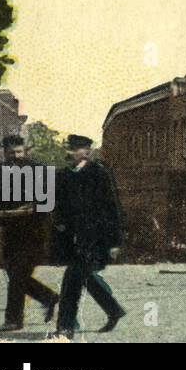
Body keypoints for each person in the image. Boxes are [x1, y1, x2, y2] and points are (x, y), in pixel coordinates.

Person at [52, 134, 126, 339]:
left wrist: (115, 242)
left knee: (71, 280)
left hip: (95, 238)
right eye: (69, 148)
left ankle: (65, 326)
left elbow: (112, 208)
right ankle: (113, 310)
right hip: (73, 238)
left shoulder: (99, 173)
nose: (70, 152)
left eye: (74, 149)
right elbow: (59, 207)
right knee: (86, 277)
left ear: (86, 152)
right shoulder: (64, 175)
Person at [0, 135, 59, 331]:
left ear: (25, 151)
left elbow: (51, 200)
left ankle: (14, 320)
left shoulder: (39, 170)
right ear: (5, 153)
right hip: (11, 232)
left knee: (17, 276)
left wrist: (32, 207)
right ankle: (49, 297)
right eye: (11, 153)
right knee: (14, 272)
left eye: (19, 152)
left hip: (34, 231)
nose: (15, 156)